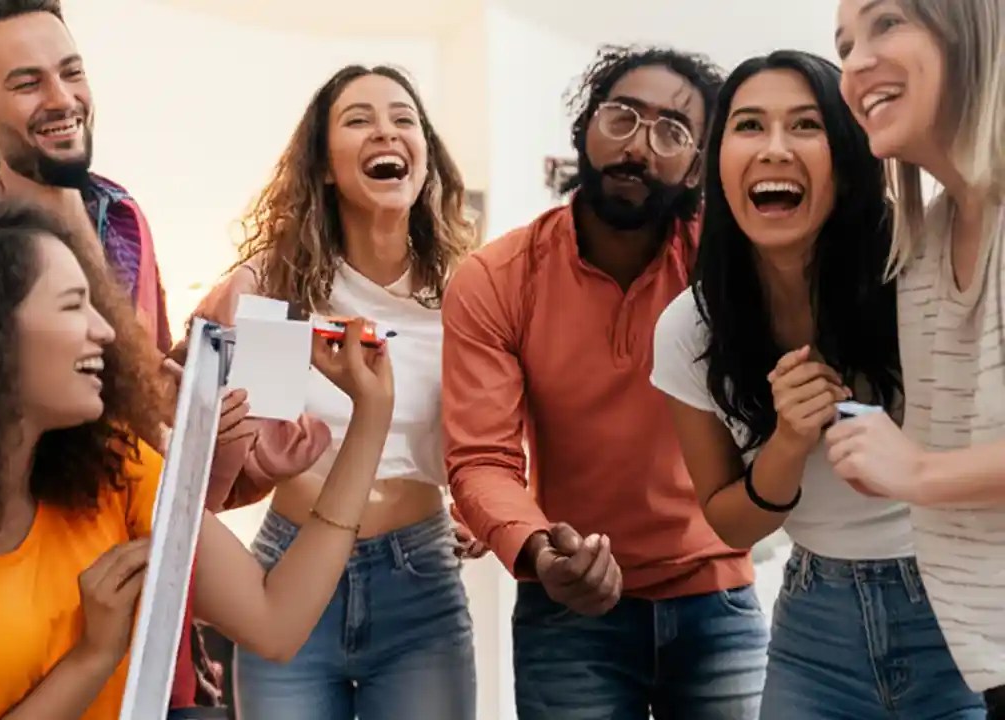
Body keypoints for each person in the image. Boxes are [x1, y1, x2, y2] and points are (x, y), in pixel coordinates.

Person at [0, 186, 394, 720]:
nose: (105, 329)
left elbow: (275, 624)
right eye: (74, 305)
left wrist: (370, 420)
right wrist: (93, 657)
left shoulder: (118, 471)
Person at [652, 49, 986, 719]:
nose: (774, 148)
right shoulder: (691, 327)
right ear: (718, 161)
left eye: (805, 125)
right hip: (816, 625)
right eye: (749, 126)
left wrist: (912, 465)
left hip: (958, 609)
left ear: (850, 151)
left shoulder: (924, 273)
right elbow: (731, 524)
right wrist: (787, 442)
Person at [444, 44, 769, 719]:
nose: (639, 146)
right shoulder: (497, 278)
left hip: (716, 598)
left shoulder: (730, 269)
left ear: (699, 165)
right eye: (622, 116)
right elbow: (481, 460)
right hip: (569, 608)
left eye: (673, 131)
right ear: (584, 128)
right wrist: (540, 552)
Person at [0, 0, 249, 708]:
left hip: (151, 600)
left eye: (71, 72)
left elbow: (157, 437)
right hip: (35, 633)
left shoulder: (127, 219)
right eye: (26, 84)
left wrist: (217, 431)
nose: (61, 100)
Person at [183, 64, 477, 720]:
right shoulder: (277, 284)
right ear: (321, 165)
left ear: (424, 157)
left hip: (420, 583)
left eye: (404, 119)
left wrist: (490, 508)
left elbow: (502, 428)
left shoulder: (462, 294)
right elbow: (240, 450)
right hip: (291, 567)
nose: (386, 132)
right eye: (359, 119)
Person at [830, 0, 1005, 713]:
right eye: (843, 45)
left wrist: (921, 470)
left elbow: (929, 469)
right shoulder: (925, 243)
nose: (856, 63)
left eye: (887, 22)